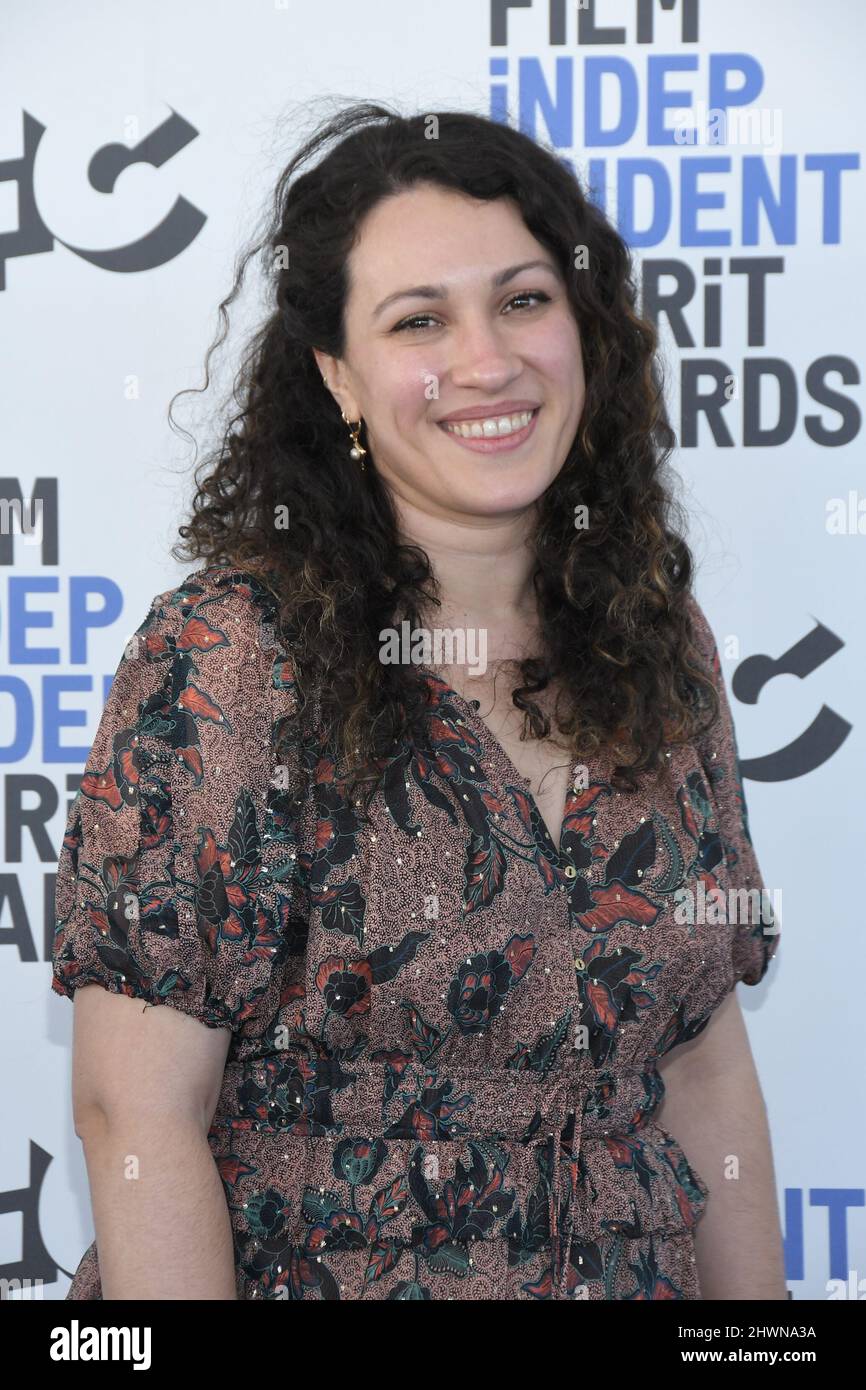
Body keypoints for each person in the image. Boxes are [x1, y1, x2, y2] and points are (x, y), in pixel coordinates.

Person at [51, 102, 784, 1301]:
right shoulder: (232, 654)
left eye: (522, 300)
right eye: (418, 320)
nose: (486, 361)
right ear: (337, 375)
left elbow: (699, 1062)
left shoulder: (662, 647)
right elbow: (131, 1112)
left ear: (583, 327)